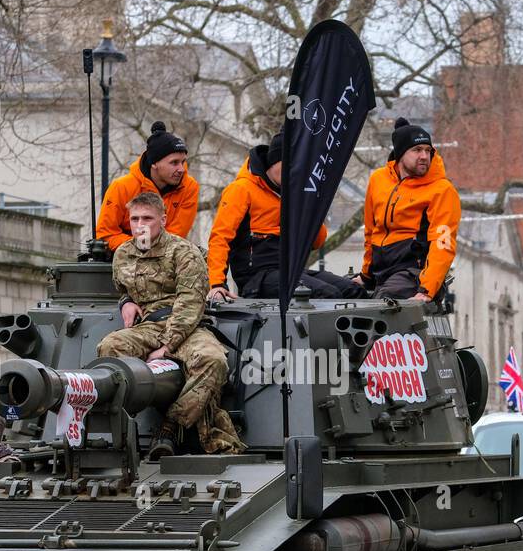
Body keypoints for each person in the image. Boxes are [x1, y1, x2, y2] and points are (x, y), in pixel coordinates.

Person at [98, 192, 244, 460]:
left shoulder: (183, 252)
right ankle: (122, 431)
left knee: (213, 360)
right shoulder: (123, 254)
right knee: (110, 347)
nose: (140, 224)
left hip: (186, 328)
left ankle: (171, 426)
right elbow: (124, 288)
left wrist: (167, 346)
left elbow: (191, 301)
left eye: (148, 218)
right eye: (135, 218)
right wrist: (126, 302)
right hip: (148, 327)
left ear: (163, 219)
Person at [207, 134, 361, 300]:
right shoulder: (241, 190)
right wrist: (217, 285)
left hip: (292, 271)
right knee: (327, 294)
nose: (292, 169)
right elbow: (219, 238)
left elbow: (317, 242)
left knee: (353, 290)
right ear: (273, 160)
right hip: (258, 278)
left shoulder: (294, 194)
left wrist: (308, 206)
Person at [357, 118, 461, 302]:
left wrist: (426, 290)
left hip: (413, 273)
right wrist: (366, 276)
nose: (424, 156)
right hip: (381, 272)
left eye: (428, 151)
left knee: (380, 305)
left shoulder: (442, 190)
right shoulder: (378, 180)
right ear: (400, 153)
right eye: (417, 150)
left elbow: (443, 244)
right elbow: (371, 232)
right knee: (340, 292)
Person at [97, 121, 199, 250]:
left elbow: (177, 234)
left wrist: (151, 248)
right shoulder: (121, 187)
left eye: (183, 162)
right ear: (154, 163)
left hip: (167, 257)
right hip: (126, 258)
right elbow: (106, 233)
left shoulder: (190, 187)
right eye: (174, 163)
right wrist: (138, 246)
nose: (181, 169)